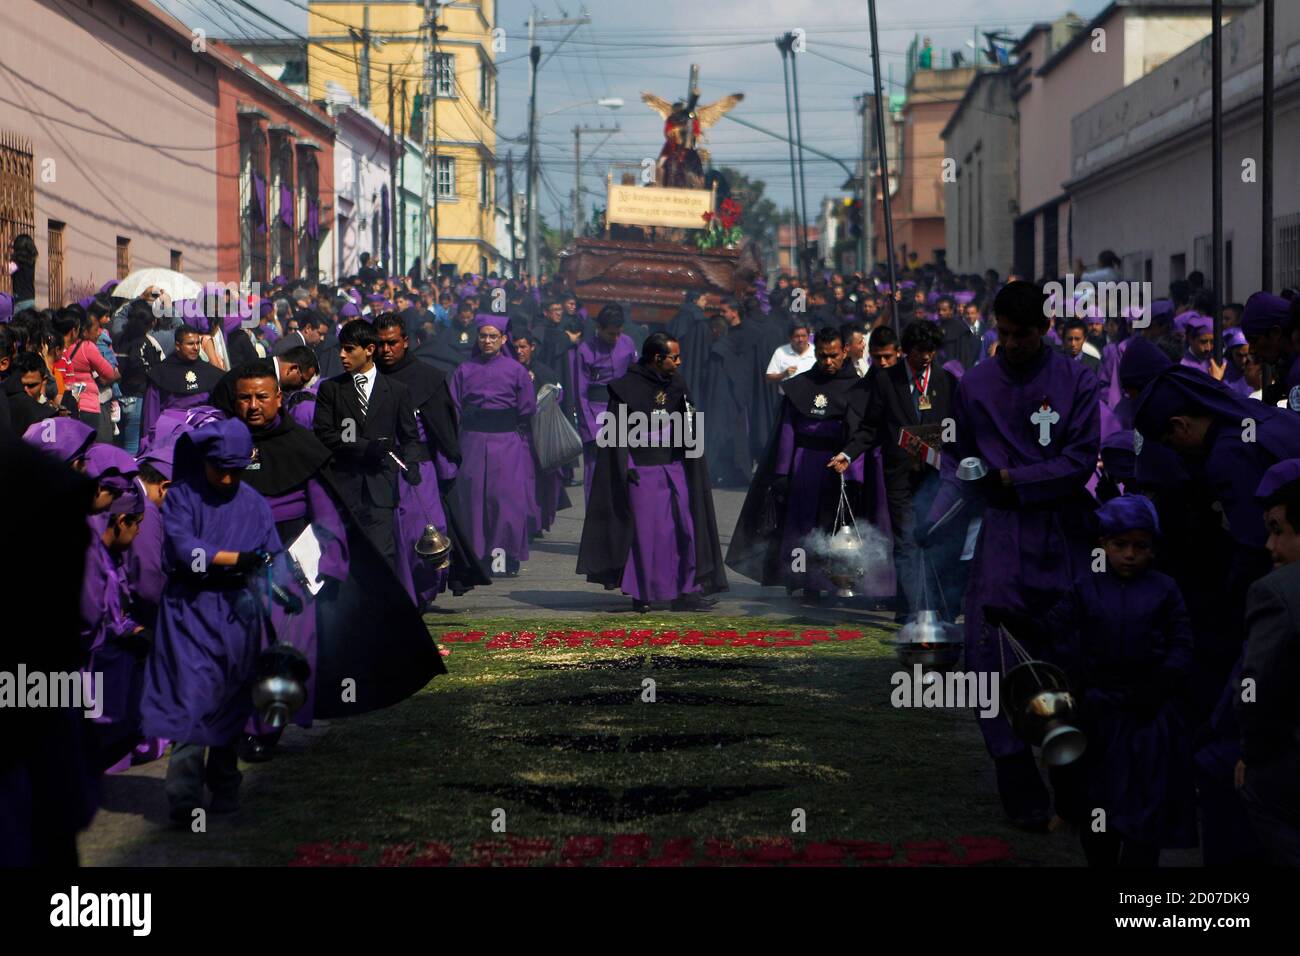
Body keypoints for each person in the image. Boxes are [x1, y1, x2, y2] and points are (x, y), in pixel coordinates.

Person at [919, 280, 1101, 828]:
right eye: (1001, 333)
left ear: (1045, 329)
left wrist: (1014, 476)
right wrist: (932, 520)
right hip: (1002, 536)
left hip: (1062, 532)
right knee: (988, 658)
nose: (1010, 344)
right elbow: (958, 462)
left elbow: (1080, 459)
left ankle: (1072, 790)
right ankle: (1022, 794)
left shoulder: (1078, 379)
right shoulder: (974, 385)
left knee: (1068, 661)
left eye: (1021, 335)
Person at [988, 495, 1196, 866]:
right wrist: (1017, 620)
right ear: (1103, 545)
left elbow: (1181, 644)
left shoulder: (1165, 589)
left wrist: (1160, 684)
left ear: (1153, 549)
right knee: (1096, 807)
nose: (1129, 554)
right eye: (1120, 545)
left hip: (1147, 718)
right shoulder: (1086, 588)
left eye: (1140, 546)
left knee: (1142, 811)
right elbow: (1052, 626)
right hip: (1096, 716)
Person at [139, 419, 283, 822]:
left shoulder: (254, 502)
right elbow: (187, 551)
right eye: (218, 467)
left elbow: (273, 553)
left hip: (238, 614)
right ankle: (184, 798)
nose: (225, 477)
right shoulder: (182, 497)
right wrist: (237, 558)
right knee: (192, 703)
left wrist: (282, 584)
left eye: (234, 470)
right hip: (190, 611)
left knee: (230, 703)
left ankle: (224, 784)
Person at [579, 332, 725, 611]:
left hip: (674, 468)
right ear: (657, 358)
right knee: (648, 536)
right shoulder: (625, 388)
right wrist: (627, 468)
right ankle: (643, 593)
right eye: (674, 357)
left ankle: (686, 592)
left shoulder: (676, 384)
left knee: (684, 529)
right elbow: (616, 435)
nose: (680, 362)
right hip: (642, 472)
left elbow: (688, 423)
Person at [728, 326, 871, 601]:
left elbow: (860, 434)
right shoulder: (800, 385)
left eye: (833, 355)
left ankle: (832, 581)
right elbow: (787, 430)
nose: (827, 362)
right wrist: (782, 471)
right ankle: (803, 580)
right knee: (801, 525)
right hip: (804, 463)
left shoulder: (857, 388)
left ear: (844, 352)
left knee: (833, 525)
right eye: (822, 355)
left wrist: (854, 472)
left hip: (838, 465)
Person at [847, 320, 960, 621]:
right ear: (907, 351)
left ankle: (936, 604)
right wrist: (848, 453)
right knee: (906, 540)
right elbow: (870, 426)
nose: (927, 357)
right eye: (921, 351)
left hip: (935, 475)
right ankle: (912, 609)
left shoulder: (946, 381)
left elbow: (956, 426)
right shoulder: (886, 381)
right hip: (898, 473)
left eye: (932, 351)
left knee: (933, 536)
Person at [375, 313, 488, 602]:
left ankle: (422, 594)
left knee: (423, 534)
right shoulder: (367, 379)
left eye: (392, 343)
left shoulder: (428, 378)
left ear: (406, 341)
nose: (386, 350)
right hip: (377, 471)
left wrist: (445, 472)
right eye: (380, 344)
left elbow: (444, 429)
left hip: (419, 470)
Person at [314, 318, 422, 568]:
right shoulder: (331, 389)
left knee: (382, 553)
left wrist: (412, 463)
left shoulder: (396, 390)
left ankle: (382, 605)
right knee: (345, 552)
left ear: (369, 350)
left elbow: (409, 436)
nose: (342, 355)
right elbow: (324, 434)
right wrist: (363, 447)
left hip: (381, 485)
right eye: (341, 348)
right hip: (344, 484)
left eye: (349, 349)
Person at [1235, 461, 1300, 864]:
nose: (1269, 547)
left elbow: (1255, 690)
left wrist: (1251, 755)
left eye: (1278, 532)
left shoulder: (1277, 592)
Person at [448, 314, 537, 577]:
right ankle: (478, 554)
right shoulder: (464, 369)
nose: (487, 341)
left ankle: (506, 553)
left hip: (506, 440)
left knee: (505, 499)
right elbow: (454, 406)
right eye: (483, 336)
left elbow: (527, 407)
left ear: (503, 339)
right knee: (473, 498)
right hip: (473, 440)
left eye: (493, 337)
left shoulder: (516, 370)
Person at [570, 304, 637, 499]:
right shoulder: (585, 350)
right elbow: (580, 393)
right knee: (597, 470)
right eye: (610, 334)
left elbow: (635, 377)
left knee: (626, 465)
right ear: (599, 328)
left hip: (624, 411)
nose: (615, 338)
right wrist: (590, 430)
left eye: (618, 333)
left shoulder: (628, 344)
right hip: (597, 413)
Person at [514, 331, 572, 537]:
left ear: (532, 347)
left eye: (523, 347)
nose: (519, 351)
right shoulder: (511, 370)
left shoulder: (544, 371)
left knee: (542, 482)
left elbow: (558, 395)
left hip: (542, 434)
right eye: (516, 347)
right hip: (520, 435)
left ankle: (537, 521)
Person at [139, 324, 224, 452]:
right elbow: (151, 411)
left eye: (198, 343)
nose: (196, 348)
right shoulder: (160, 373)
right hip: (171, 435)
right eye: (190, 344)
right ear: (178, 346)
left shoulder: (211, 373)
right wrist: (149, 442)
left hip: (204, 433)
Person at [765, 321, 816, 391]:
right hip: (787, 398)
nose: (800, 339)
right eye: (797, 336)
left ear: (808, 336)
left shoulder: (816, 351)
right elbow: (769, 378)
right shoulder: (780, 352)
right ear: (790, 337)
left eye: (804, 336)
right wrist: (784, 374)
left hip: (811, 397)